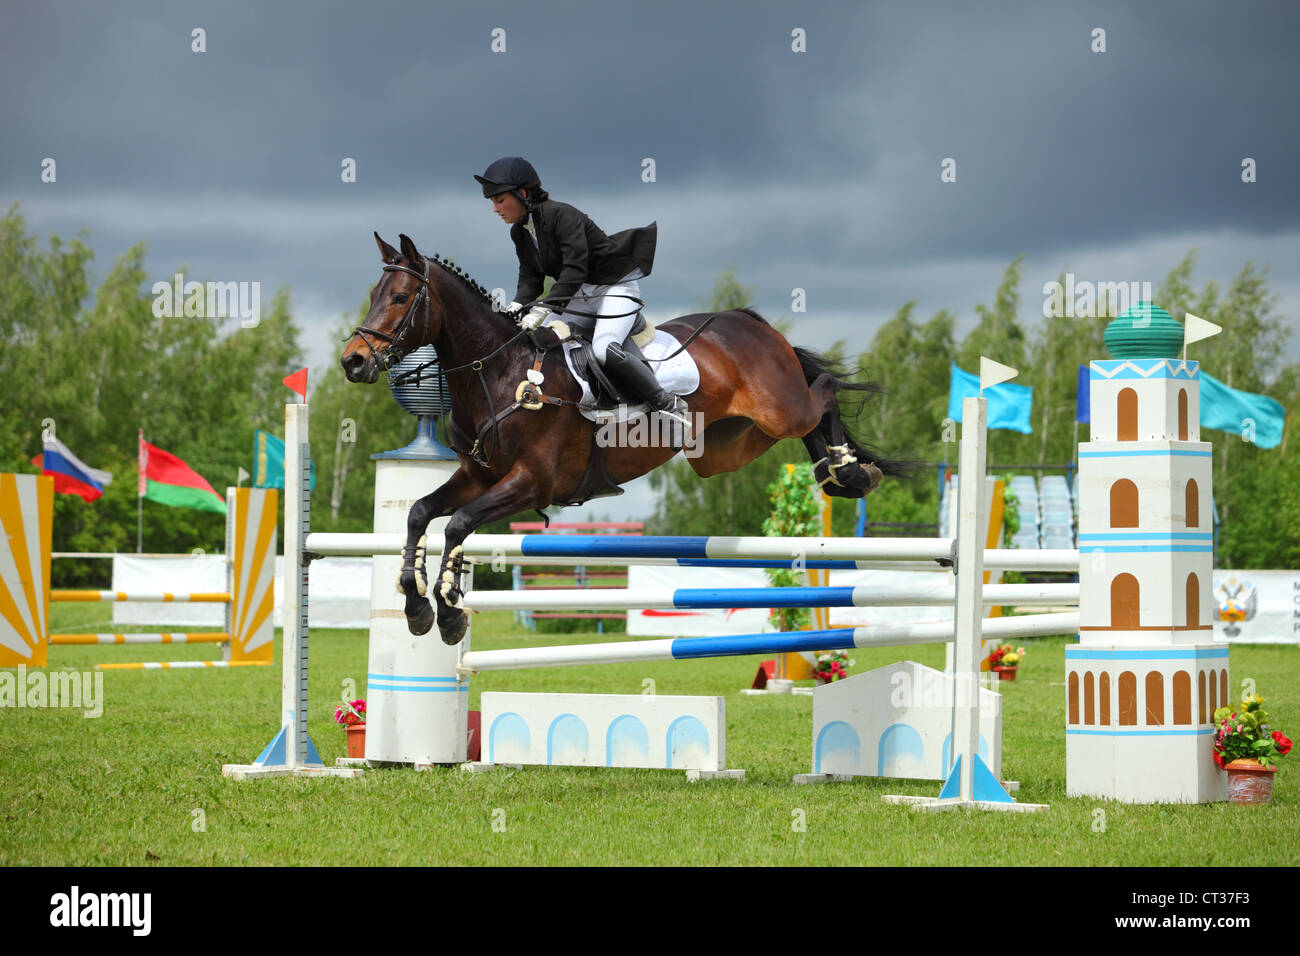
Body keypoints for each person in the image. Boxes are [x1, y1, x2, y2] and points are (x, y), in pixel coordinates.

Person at [474, 156, 691, 428]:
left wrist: (542, 309)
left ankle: (667, 403)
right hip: (577, 296)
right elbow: (531, 278)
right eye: (492, 202)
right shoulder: (520, 232)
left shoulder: (562, 215)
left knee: (603, 349)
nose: (495, 209)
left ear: (523, 194)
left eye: (499, 200)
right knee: (547, 344)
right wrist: (516, 308)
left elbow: (575, 269)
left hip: (613, 288)